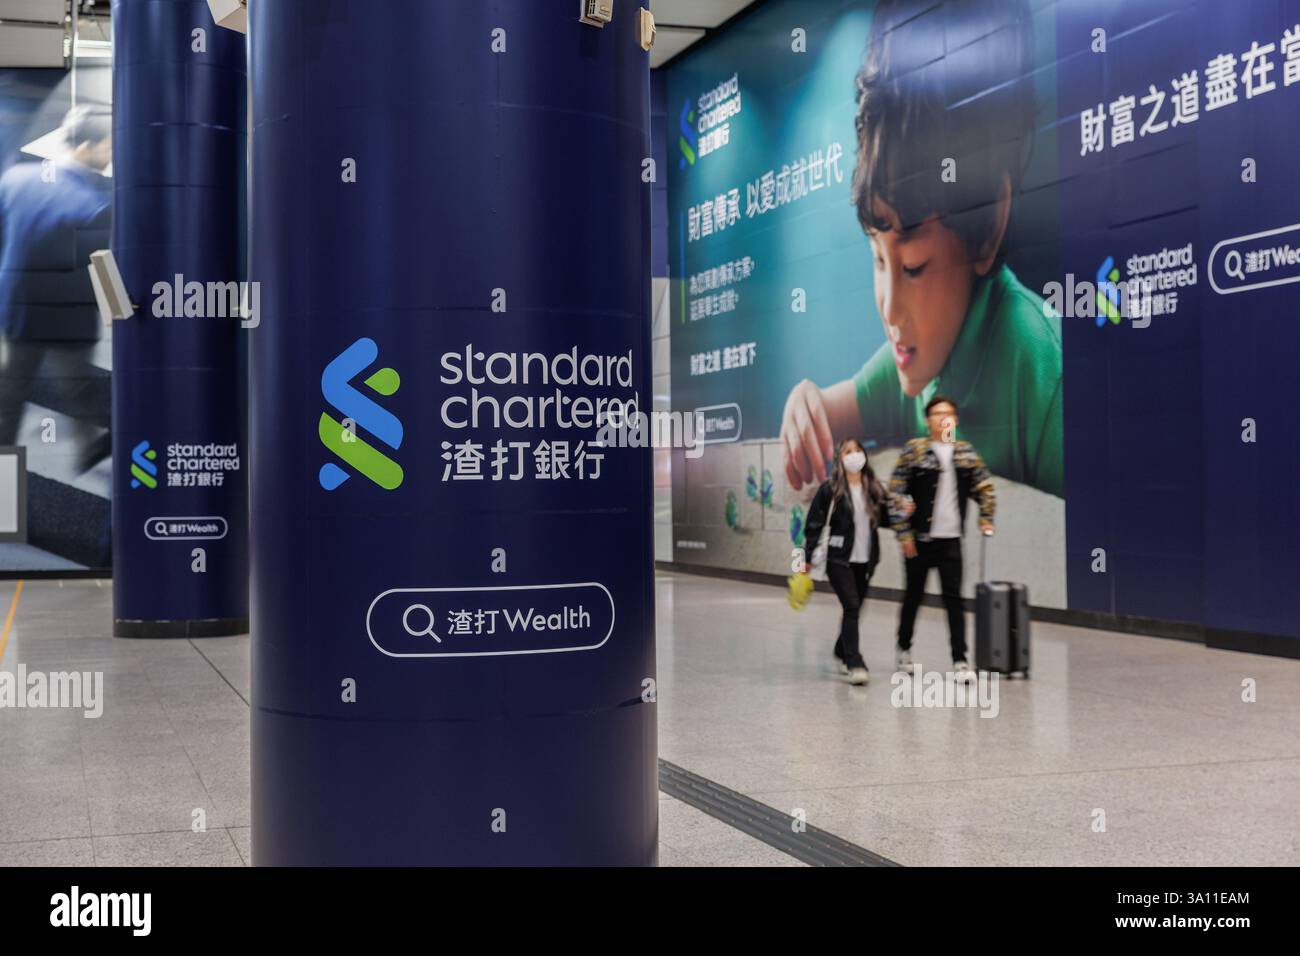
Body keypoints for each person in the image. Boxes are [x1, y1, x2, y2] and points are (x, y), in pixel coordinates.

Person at [779, 0, 1062, 499]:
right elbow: (827, 407)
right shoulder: (912, 359)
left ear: (990, 225)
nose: (889, 307)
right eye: (878, 258)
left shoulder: (1043, 373)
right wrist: (805, 402)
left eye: (912, 267)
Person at [0, 104, 113, 468]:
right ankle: (97, 448)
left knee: (6, 408)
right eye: (108, 146)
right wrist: (126, 314)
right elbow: (102, 272)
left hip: (14, 316)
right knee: (80, 392)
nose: (112, 155)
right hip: (70, 323)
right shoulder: (93, 204)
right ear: (85, 147)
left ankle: (4, 512)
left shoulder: (15, 179)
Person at [889, 396, 995, 681]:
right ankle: (904, 648)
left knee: (954, 601)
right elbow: (896, 494)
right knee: (913, 596)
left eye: (948, 413)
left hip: (951, 541)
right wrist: (903, 533)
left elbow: (985, 487)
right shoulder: (915, 450)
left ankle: (960, 659)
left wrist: (986, 519)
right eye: (937, 414)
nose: (943, 418)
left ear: (955, 420)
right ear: (928, 420)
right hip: (919, 541)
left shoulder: (965, 453)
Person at [800, 438, 897, 685]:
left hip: (866, 560)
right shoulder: (830, 489)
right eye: (847, 451)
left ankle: (841, 650)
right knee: (852, 606)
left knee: (855, 608)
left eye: (857, 451)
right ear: (840, 458)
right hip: (838, 559)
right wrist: (806, 559)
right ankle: (855, 662)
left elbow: (886, 520)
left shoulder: (874, 487)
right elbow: (814, 524)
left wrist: (903, 511)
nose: (854, 455)